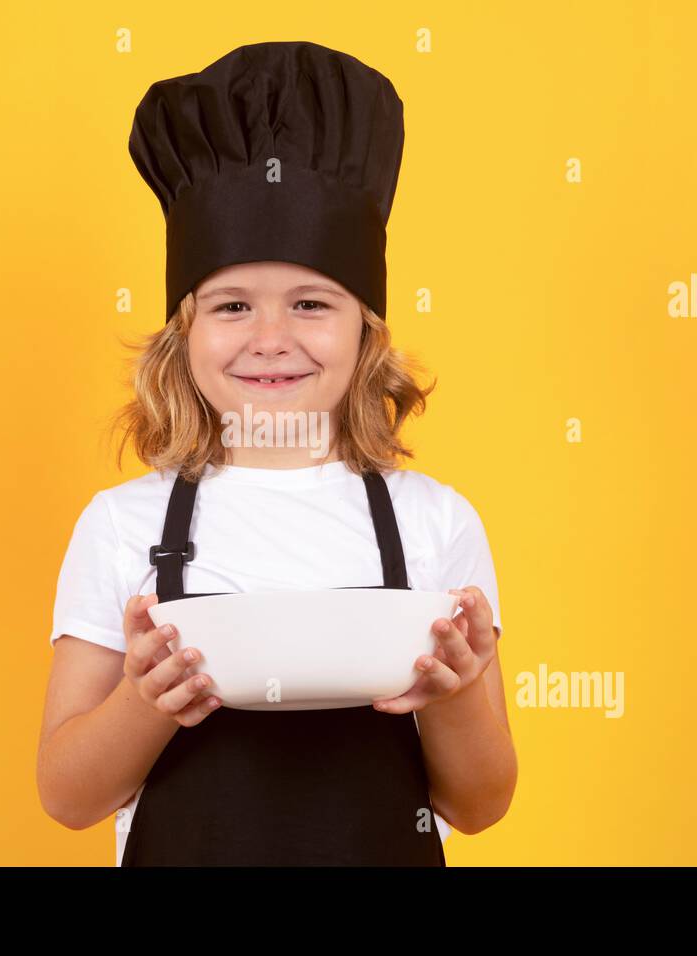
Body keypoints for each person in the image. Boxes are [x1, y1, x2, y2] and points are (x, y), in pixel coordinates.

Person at [36, 41, 516, 866]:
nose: (270, 340)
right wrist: (147, 702)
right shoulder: (122, 527)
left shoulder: (435, 523)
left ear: (366, 327)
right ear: (184, 333)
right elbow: (68, 796)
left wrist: (459, 689)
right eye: (231, 305)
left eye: (309, 303)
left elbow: (478, 805)